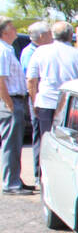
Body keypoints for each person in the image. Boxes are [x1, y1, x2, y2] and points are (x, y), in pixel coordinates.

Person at [27, 21, 78, 183]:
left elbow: (31, 80)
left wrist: (35, 101)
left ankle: (42, 177)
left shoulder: (40, 52)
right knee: (70, 143)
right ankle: (67, 177)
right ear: (70, 36)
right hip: (71, 105)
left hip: (46, 102)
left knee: (45, 141)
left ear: (53, 35)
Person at [0, 16, 31, 194]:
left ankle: (14, 178)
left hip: (15, 99)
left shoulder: (8, 49)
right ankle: (11, 184)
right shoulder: (3, 51)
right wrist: (9, 104)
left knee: (16, 142)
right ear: (4, 32)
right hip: (10, 100)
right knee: (11, 143)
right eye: (12, 27)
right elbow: (1, 80)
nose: (15, 31)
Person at [21, 22, 52, 179]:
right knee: (40, 137)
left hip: (43, 100)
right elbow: (31, 81)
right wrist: (35, 104)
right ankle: (38, 174)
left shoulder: (44, 51)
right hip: (38, 100)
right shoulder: (30, 53)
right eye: (49, 33)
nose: (52, 36)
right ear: (42, 36)